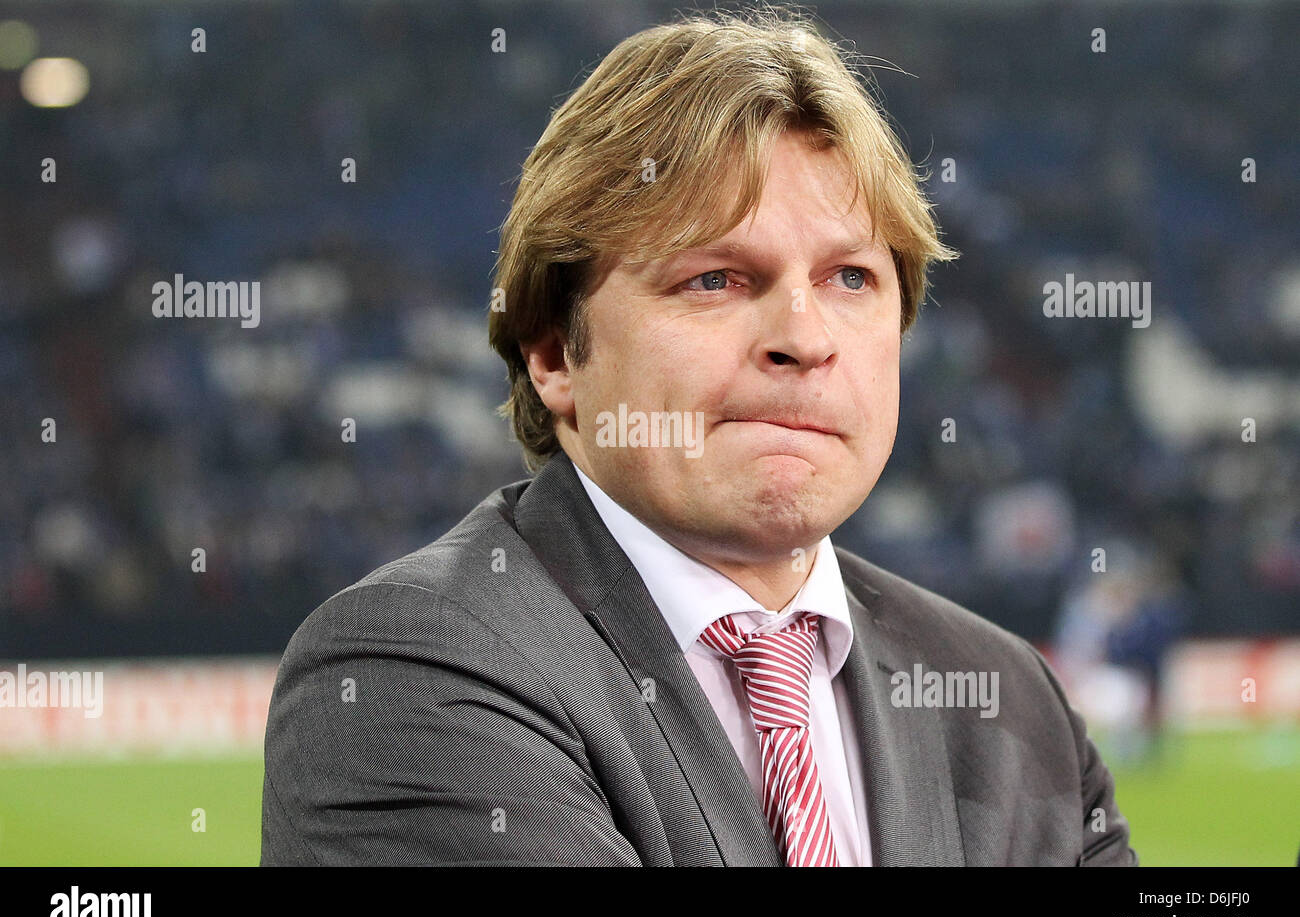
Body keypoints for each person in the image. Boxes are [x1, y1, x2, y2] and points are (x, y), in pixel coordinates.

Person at [260, 8, 1137, 866]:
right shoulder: (406, 674)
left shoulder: (1009, 700)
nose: (805, 335)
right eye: (714, 278)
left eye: (853, 278)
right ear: (555, 354)